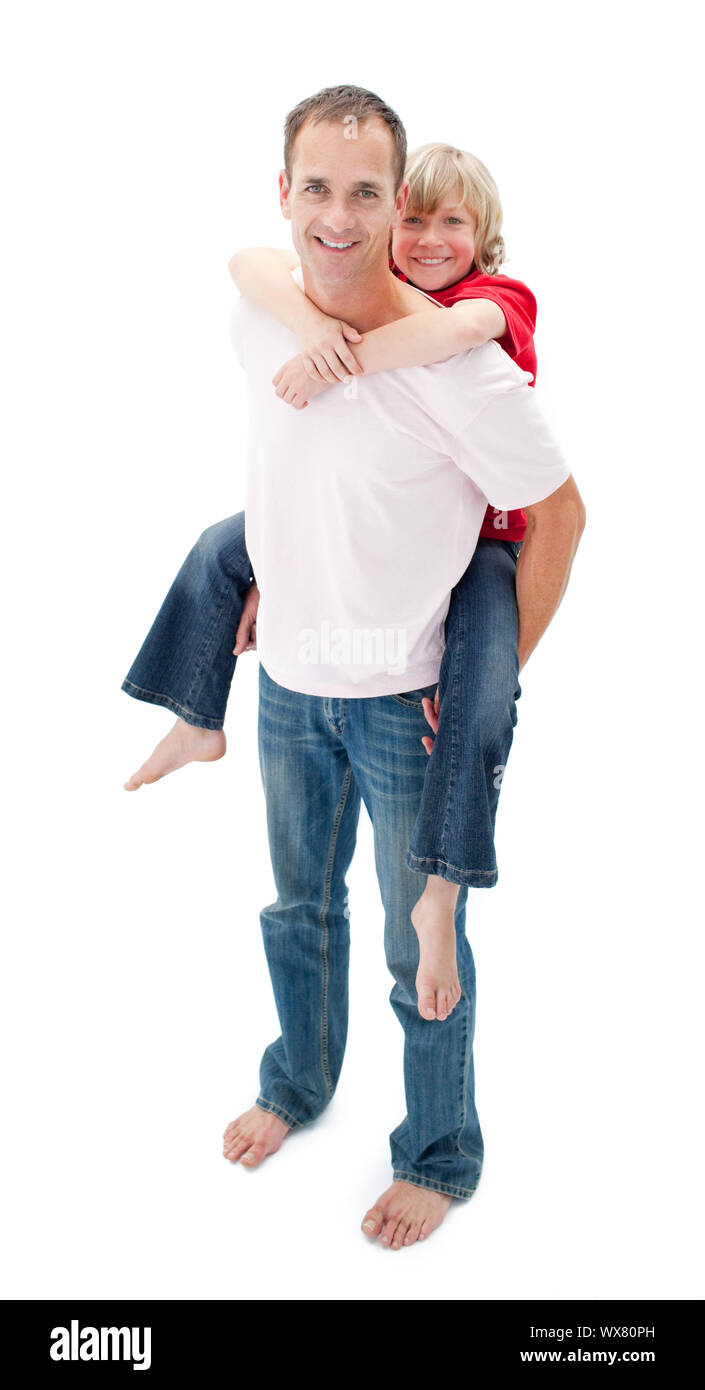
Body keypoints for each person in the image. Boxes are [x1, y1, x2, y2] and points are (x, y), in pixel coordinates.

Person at [129, 83, 585, 1249]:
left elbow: (563, 518)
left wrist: (494, 670)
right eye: (316, 189)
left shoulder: (465, 366)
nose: (340, 215)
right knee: (297, 906)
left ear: (399, 211)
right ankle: (298, 1082)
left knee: (415, 943)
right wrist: (278, 574)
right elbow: (308, 465)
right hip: (287, 686)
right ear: (286, 196)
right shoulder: (264, 317)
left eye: (368, 194)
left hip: (400, 703)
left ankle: (439, 1153)